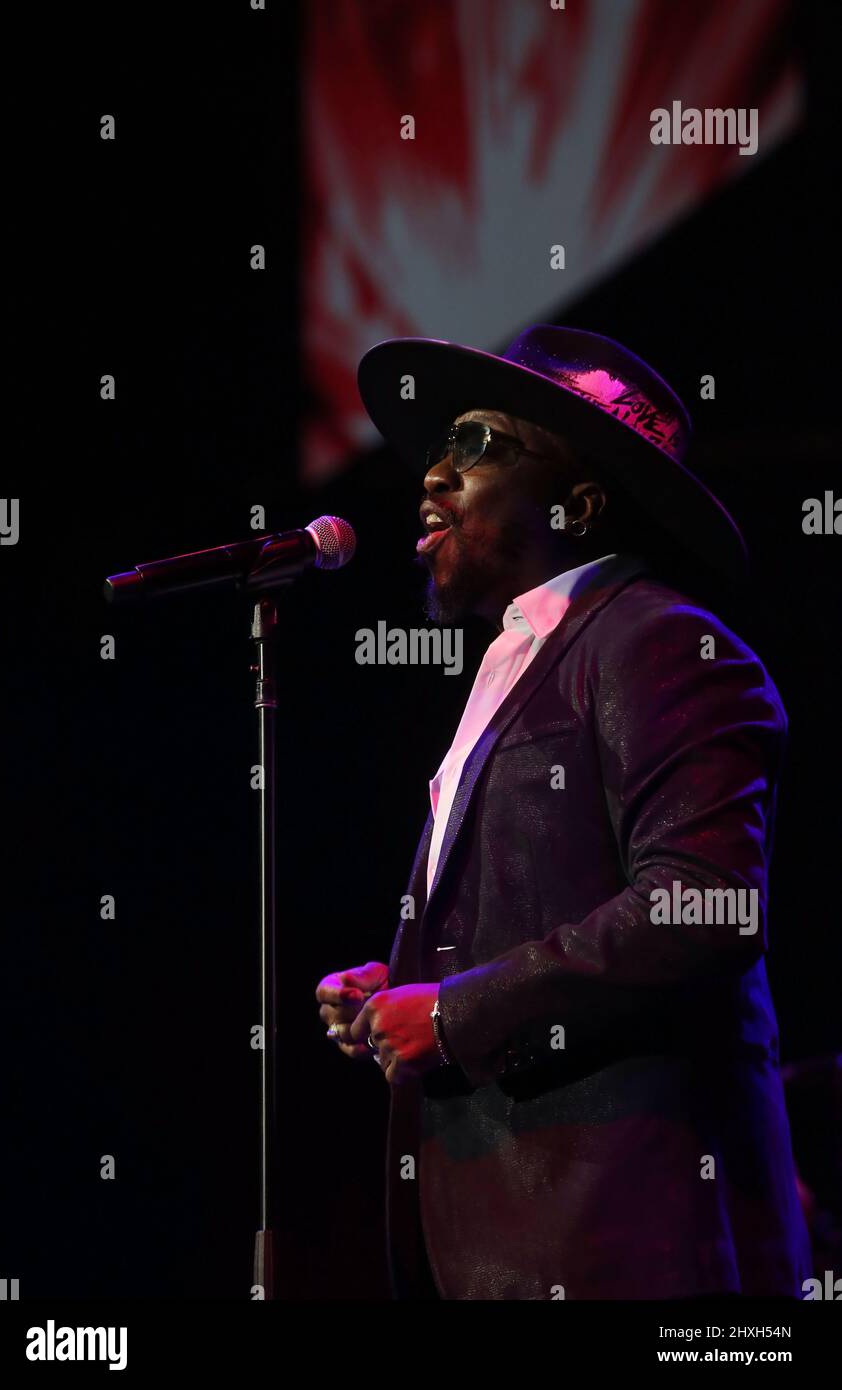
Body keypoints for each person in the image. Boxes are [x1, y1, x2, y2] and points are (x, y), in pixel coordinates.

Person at [316, 325, 812, 1300]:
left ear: (576, 501)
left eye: (475, 447)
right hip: (512, 1232)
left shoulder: (655, 640)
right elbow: (538, 906)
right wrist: (409, 983)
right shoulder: (517, 666)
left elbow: (703, 902)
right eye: (436, 450)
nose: (432, 475)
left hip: (625, 1237)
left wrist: (458, 1011)